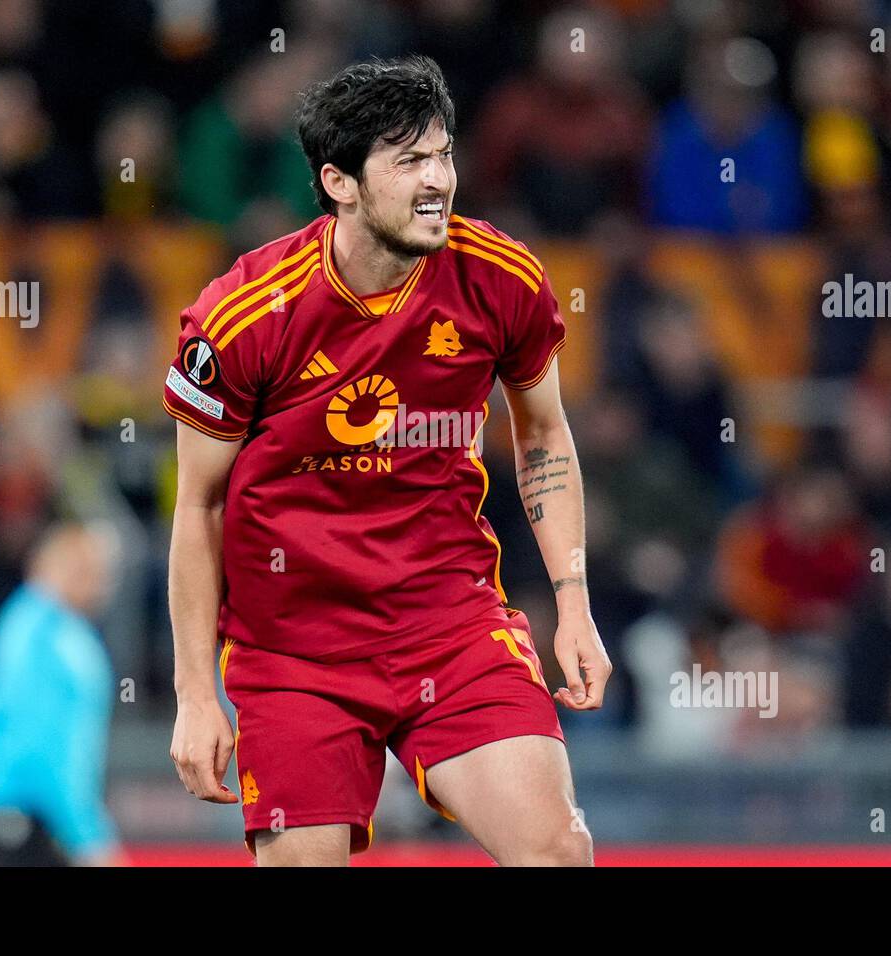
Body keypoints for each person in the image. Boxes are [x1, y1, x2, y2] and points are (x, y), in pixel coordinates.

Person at [164, 55, 610, 866]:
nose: (438, 179)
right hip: (294, 651)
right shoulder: (242, 316)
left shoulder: (500, 279)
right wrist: (197, 694)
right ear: (340, 183)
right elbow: (198, 508)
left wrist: (572, 602)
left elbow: (542, 433)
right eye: (408, 162)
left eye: (443, 154)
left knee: (559, 852)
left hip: (449, 622)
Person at [0, 521, 124, 866]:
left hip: (1, 817)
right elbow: (56, 747)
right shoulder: (62, 642)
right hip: (37, 823)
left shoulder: (16, 620)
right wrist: (89, 836)